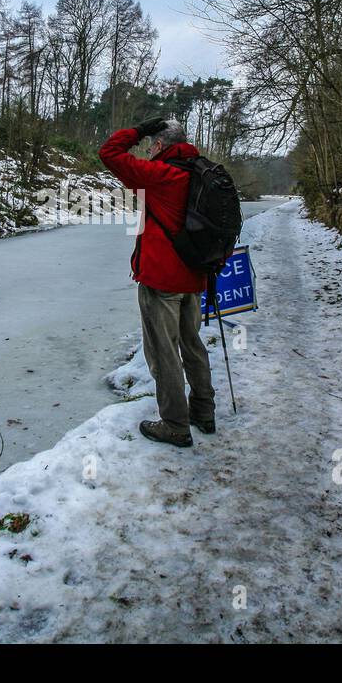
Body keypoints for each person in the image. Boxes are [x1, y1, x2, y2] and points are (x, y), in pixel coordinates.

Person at [98, 117, 216, 448]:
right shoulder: (202, 171)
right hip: (194, 277)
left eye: (151, 144)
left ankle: (175, 424)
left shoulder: (161, 174)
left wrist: (137, 128)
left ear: (160, 145)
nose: (148, 150)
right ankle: (204, 412)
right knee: (193, 345)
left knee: (164, 352)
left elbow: (109, 152)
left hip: (162, 280)